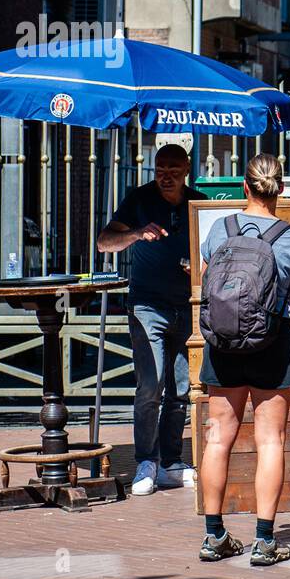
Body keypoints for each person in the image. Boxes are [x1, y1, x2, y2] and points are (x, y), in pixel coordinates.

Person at [197, 153, 290, 566]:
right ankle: (264, 540)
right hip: (273, 343)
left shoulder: (220, 229)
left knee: (218, 438)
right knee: (270, 441)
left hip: (223, 344)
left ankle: (214, 536)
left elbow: (206, 279)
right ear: (281, 190)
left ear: (244, 188)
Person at [98, 143, 205, 496]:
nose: (166, 175)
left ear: (187, 169)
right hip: (148, 307)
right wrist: (135, 234)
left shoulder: (199, 201)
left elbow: (214, 249)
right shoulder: (139, 199)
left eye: (174, 168)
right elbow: (104, 242)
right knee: (150, 386)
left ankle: (171, 463)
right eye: (160, 168)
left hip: (187, 306)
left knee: (181, 390)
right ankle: (147, 460)